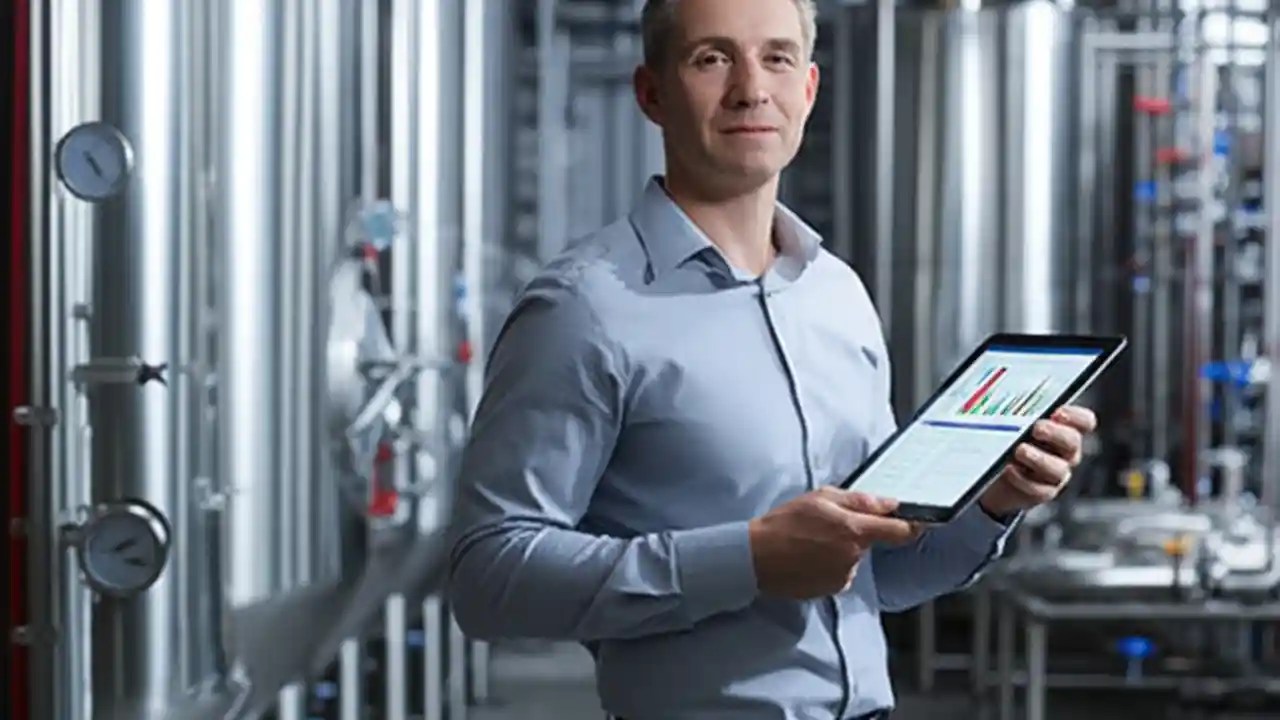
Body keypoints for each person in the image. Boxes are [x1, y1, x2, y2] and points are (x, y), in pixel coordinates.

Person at [445, 0, 1098, 718]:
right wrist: (748, 560)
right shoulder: (583, 308)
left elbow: (880, 577)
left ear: (809, 89)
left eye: (777, 58)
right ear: (651, 93)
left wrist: (994, 501)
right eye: (712, 58)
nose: (752, 88)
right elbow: (487, 579)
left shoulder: (836, 294)